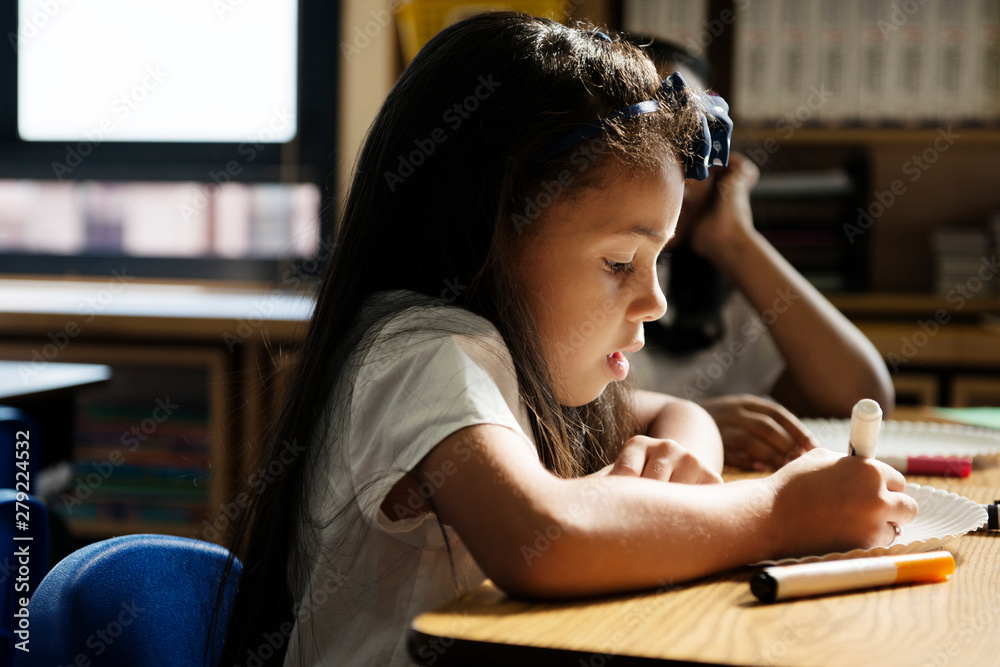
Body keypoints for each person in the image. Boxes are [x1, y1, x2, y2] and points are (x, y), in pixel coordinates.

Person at [215, 14, 917, 667]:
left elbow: (678, 414)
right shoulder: (421, 352)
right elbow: (537, 537)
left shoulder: (513, 368)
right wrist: (777, 512)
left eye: (657, 260)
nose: (655, 298)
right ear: (489, 232)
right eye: (619, 263)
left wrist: (674, 471)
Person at [628, 37, 895, 471]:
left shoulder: (717, 280)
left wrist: (736, 243)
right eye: (652, 135)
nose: (678, 167)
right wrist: (684, 423)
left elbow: (862, 402)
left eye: (696, 139)